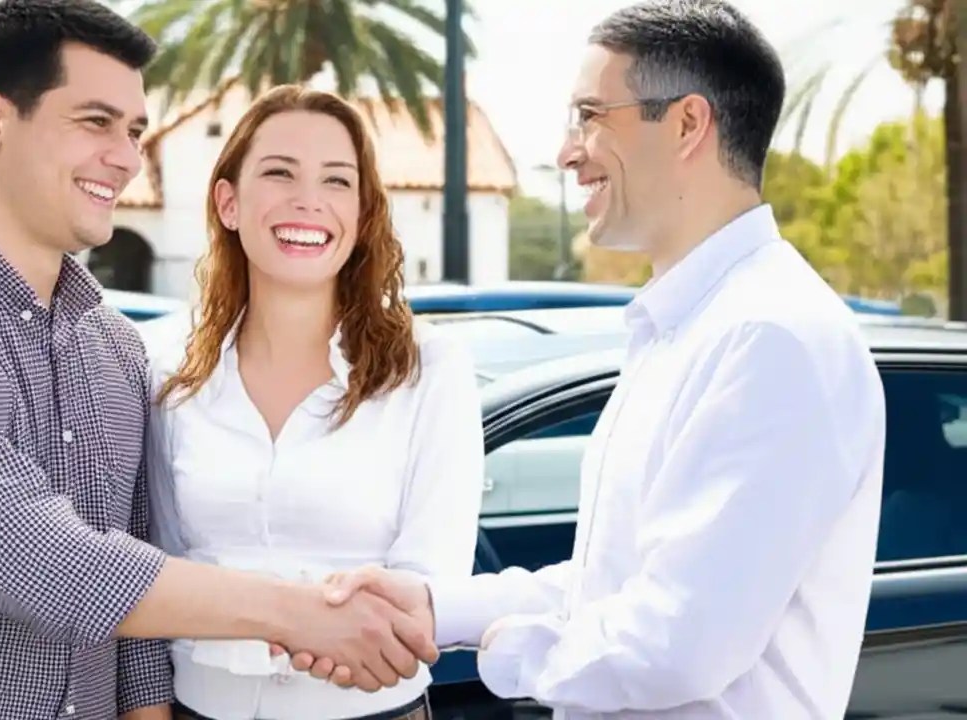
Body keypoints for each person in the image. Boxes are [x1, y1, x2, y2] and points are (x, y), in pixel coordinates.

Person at [0, 2, 436, 719]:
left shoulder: (118, 349)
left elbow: (134, 630)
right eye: (95, 123)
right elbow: (45, 563)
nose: (127, 158)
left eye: (133, 131)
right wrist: (298, 612)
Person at [301, 1, 888, 718]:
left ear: (687, 124)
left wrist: (502, 649)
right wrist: (433, 606)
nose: (567, 151)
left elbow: (677, 645)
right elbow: (611, 590)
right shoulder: (688, 329)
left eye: (589, 114)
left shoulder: (772, 339)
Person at [143, 85, 485, 720]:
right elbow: (159, 563)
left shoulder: (429, 368)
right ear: (228, 202)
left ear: (360, 214)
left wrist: (300, 637)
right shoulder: (166, 367)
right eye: (279, 173)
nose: (309, 200)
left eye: (337, 181)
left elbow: (429, 579)